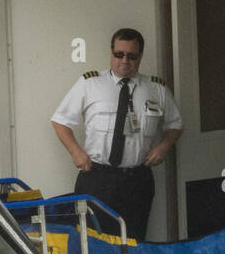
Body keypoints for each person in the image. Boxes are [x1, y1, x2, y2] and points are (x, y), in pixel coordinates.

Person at [50, 28, 183, 242]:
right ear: (111, 52)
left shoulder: (156, 89)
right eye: (119, 54)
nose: (124, 61)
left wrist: (163, 147)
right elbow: (60, 121)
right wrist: (75, 152)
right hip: (97, 178)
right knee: (93, 242)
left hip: (137, 179)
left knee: (134, 241)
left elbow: (175, 125)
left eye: (132, 56)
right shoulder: (89, 84)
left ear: (140, 56)